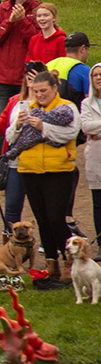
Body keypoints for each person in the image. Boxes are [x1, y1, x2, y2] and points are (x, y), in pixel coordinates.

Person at [9, 70, 81, 287]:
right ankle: (51, 261)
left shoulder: (67, 108)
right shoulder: (24, 108)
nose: (39, 95)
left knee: (56, 217)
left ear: (54, 88)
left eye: (43, 91)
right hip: (29, 169)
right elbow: (10, 138)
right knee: (41, 218)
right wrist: (19, 125)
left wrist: (42, 127)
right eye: (35, 91)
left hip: (58, 169)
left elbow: (69, 134)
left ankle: (70, 260)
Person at [0, 61, 46, 234]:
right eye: (28, 77)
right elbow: (1, 127)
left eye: (35, 77)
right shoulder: (15, 101)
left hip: (40, 159)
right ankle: (10, 247)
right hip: (16, 161)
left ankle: (48, 244)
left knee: (42, 205)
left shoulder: (48, 103)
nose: (31, 81)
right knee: (12, 207)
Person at [0, 0, 42, 119]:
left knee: (26, 120)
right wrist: (9, 21)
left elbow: (37, 41)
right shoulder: (2, 8)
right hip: (4, 76)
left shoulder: (39, 9)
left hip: (28, 77)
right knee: (2, 121)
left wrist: (23, 21)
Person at [81, 64, 101, 244]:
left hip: (97, 143)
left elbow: (93, 128)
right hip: (96, 158)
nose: (98, 78)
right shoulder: (86, 103)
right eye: (95, 75)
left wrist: (97, 130)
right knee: (98, 205)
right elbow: (86, 127)